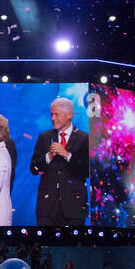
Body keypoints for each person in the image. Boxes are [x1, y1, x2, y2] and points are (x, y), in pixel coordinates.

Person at [29, 96, 89, 225]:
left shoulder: (84, 138)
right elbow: (33, 169)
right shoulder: (44, 137)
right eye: (51, 114)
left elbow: (87, 171)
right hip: (47, 208)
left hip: (74, 207)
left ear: (69, 115)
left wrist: (67, 154)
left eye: (57, 114)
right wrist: (48, 156)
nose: (53, 118)